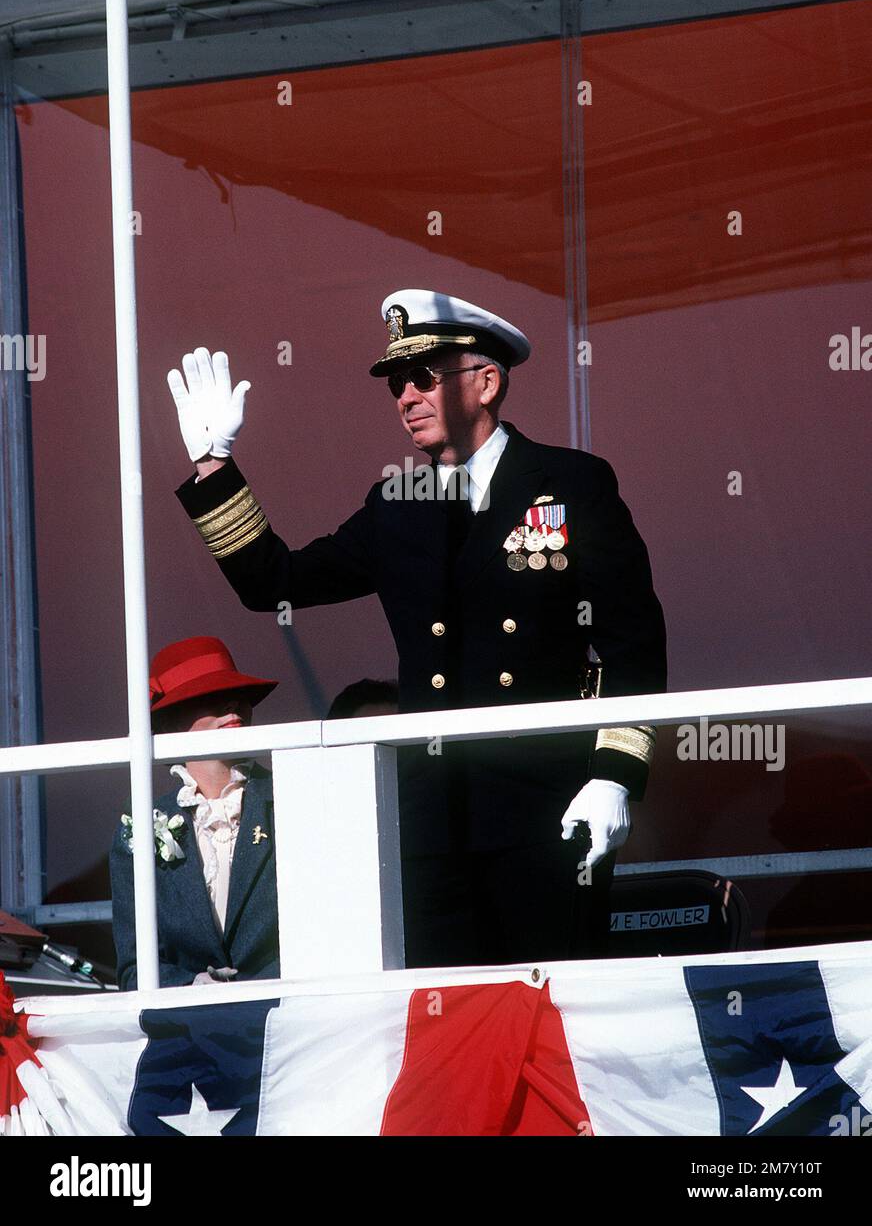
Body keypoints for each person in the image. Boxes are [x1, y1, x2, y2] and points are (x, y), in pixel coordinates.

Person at [167, 289, 667, 966]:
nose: (405, 396)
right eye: (397, 382)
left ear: (486, 382)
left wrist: (614, 775)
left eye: (424, 377)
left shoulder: (570, 485)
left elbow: (632, 642)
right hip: (433, 816)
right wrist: (213, 466)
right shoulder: (398, 505)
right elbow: (274, 582)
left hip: (548, 803)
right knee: (446, 1028)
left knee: (551, 1015)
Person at [109, 636, 280, 990]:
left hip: (284, 1023)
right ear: (171, 721)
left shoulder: (289, 801)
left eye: (239, 694)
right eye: (210, 697)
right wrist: (191, 987)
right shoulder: (140, 827)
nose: (232, 704)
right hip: (190, 1031)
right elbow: (134, 969)